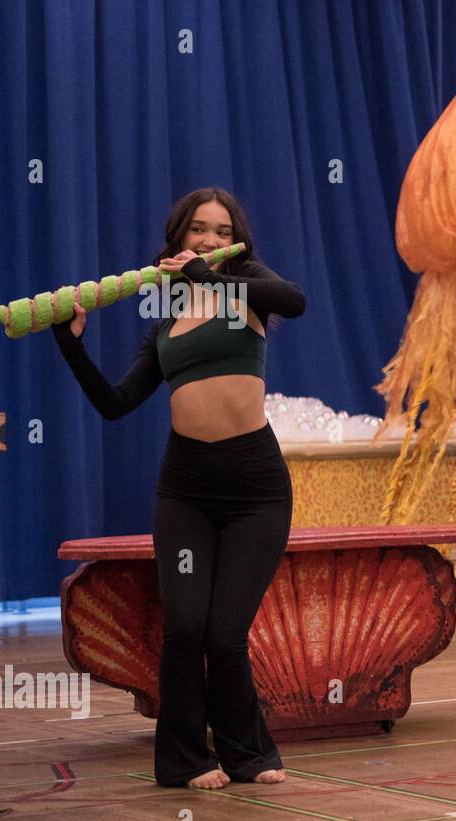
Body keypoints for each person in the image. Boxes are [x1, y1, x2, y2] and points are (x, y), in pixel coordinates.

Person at [52, 187, 306, 788]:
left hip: (255, 491)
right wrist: (70, 344)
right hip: (185, 490)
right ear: (177, 240)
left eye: (222, 231)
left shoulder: (246, 289)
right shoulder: (168, 324)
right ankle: (186, 759)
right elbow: (115, 404)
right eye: (198, 230)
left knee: (225, 633)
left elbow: (292, 300)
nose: (211, 241)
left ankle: (248, 752)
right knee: (186, 626)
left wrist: (208, 274)